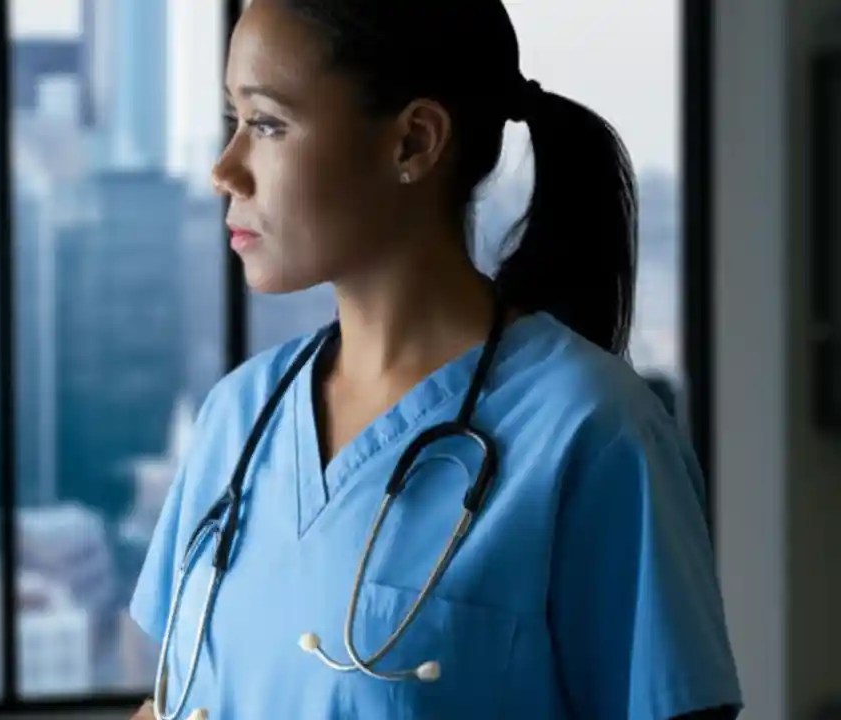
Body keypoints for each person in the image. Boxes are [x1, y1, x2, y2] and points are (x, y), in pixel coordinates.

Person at [129, 0, 743, 718]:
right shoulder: (239, 416)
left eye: (268, 124)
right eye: (235, 121)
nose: (225, 170)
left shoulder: (591, 431)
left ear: (414, 142)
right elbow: (172, 699)